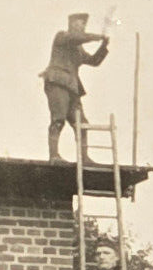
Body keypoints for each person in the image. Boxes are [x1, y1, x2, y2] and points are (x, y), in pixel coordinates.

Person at [40, 12, 109, 162]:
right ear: (71, 24)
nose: (82, 26)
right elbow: (76, 38)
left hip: (73, 88)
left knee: (82, 124)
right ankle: (54, 155)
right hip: (57, 82)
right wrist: (97, 37)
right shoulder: (62, 37)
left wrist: (104, 46)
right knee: (58, 119)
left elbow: (94, 61)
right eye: (79, 23)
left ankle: (84, 157)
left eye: (84, 24)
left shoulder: (79, 50)